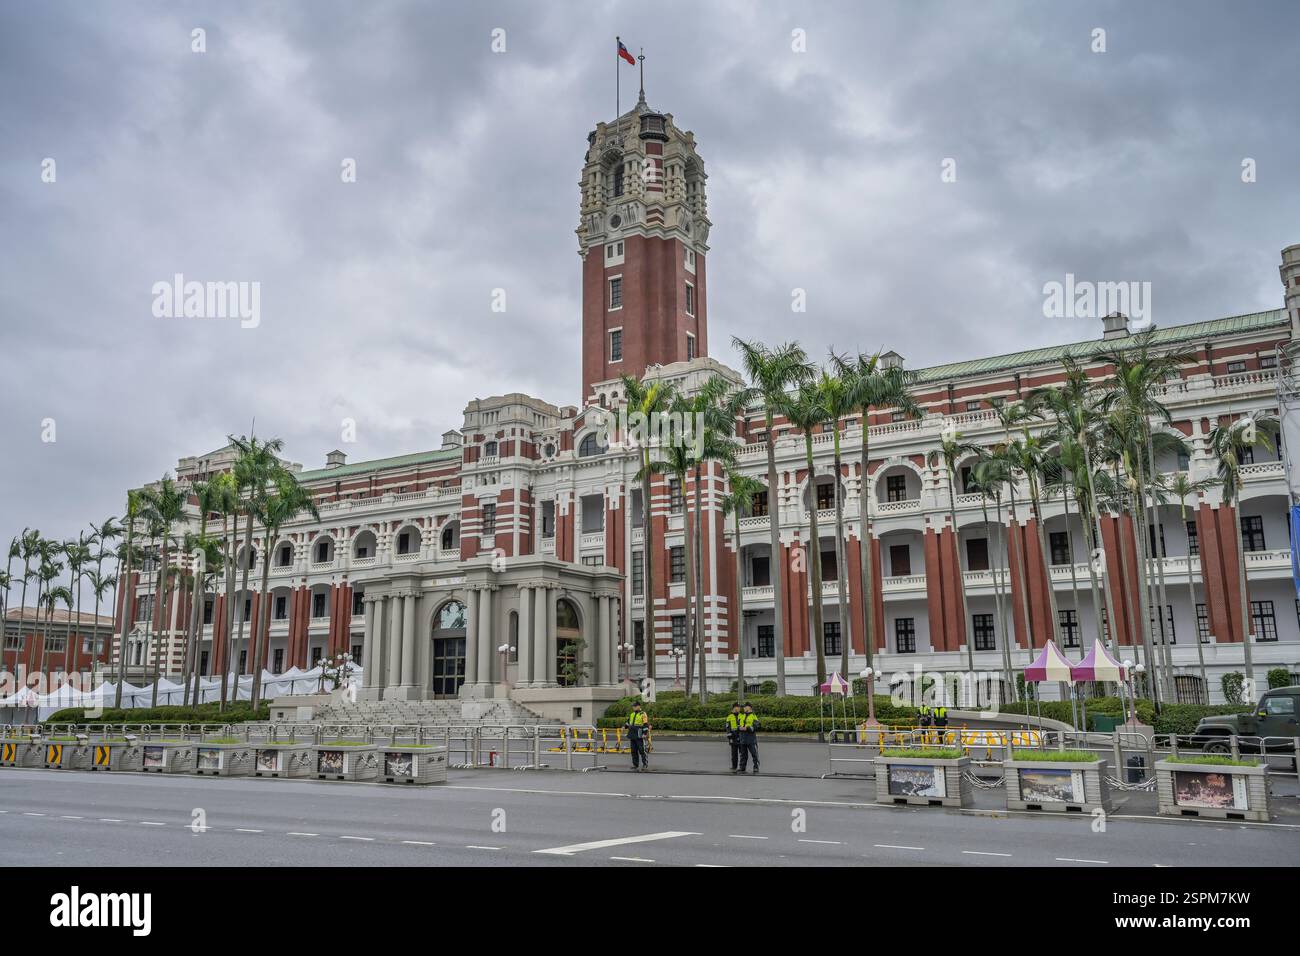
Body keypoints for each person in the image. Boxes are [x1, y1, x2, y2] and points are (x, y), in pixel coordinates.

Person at [626, 701, 651, 771]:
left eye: (635, 706)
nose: (633, 707)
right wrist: (624, 726)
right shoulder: (632, 714)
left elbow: (645, 724)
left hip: (639, 734)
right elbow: (628, 722)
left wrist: (645, 733)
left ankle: (645, 764)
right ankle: (635, 765)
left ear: (639, 706)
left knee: (642, 750)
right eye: (633, 706)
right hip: (632, 733)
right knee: (633, 751)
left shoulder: (643, 714)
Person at [737, 702, 760, 774]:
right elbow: (738, 724)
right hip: (742, 738)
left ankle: (756, 767)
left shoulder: (753, 716)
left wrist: (747, 728)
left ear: (749, 708)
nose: (743, 708)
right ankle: (742, 767)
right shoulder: (742, 716)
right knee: (743, 754)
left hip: (751, 738)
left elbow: (756, 726)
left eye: (745, 707)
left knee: (754, 753)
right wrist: (739, 728)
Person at [725, 703, 743, 772]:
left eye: (738, 708)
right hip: (733, 736)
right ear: (732, 709)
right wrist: (730, 736)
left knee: (742, 752)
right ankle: (734, 766)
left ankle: (742, 766)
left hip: (741, 736)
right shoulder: (729, 716)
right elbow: (727, 727)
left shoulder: (742, 715)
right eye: (735, 708)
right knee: (734, 753)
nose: (737, 709)